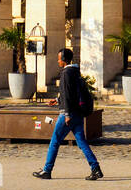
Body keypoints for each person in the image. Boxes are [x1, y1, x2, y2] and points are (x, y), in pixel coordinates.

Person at [33, 48, 102, 181]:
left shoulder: (65, 73)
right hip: (78, 113)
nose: (58, 61)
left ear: (64, 60)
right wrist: (57, 100)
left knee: (55, 141)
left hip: (68, 114)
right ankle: (95, 168)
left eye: (59, 58)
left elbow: (68, 95)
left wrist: (67, 114)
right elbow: (72, 94)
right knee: (82, 142)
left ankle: (47, 170)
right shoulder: (75, 72)